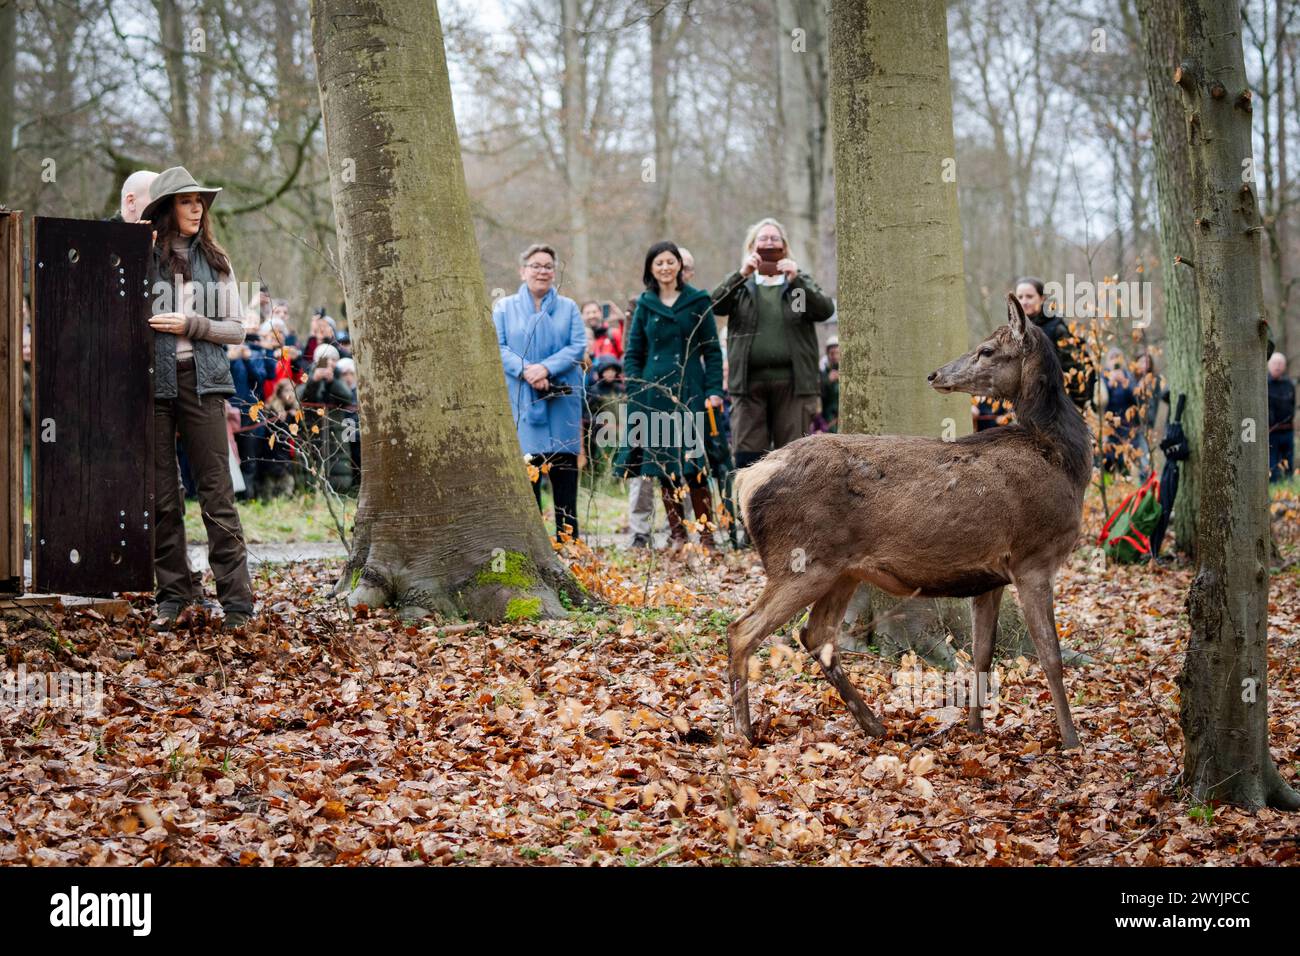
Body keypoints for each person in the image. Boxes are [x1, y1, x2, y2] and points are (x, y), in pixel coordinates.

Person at [143, 166, 254, 631]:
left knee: (217, 494)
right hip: (152, 385)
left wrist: (192, 325)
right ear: (167, 208)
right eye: (185, 201)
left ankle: (238, 605)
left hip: (204, 382)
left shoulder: (216, 258)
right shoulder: (143, 258)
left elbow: (237, 329)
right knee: (164, 497)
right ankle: (173, 597)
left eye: (199, 201)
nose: (196, 208)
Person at [615, 241, 725, 551]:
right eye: (658, 263)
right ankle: (678, 536)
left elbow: (712, 351)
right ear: (651, 269)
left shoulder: (698, 301)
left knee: (694, 465)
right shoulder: (645, 305)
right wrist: (635, 389)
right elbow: (634, 352)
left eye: (670, 261)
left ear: (679, 265)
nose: (665, 267)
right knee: (665, 466)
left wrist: (714, 390)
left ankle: (706, 537)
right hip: (653, 395)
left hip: (691, 391)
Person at [710, 217, 835, 470]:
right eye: (763, 239)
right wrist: (742, 273)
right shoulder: (742, 284)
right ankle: (749, 509)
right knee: (749, 458)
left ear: (784, 246)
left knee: (792, 458)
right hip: (748, 385)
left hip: (793, 384)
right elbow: (715, 305)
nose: (769, 242)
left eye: (774, 238)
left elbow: (823, 310)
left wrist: (796, 280)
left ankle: (791, 510)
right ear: (751, 247)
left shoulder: (795, 285)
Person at [495, 243, 587, 540]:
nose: (542, 271)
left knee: (564, 475)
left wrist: (545, 368)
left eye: (548, 266)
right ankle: (531, 542)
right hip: (522, 400)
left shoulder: (569, 308)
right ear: (523, 271)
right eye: (536, 265)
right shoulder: (505, 308)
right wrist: (526, 370)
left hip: (561, 400)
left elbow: (576, 346)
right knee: (527, 475)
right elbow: (499, 346)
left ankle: (569, 541)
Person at [1015, 276, 1094, 410]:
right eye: (1020, 297)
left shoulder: (1057, 328)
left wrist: (1077, 406)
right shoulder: (1015, 330)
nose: (1024, 301)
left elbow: (1075, 369)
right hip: (1026, 405)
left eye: (1029, 296)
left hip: (1058, 405)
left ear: (1042, 298)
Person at [297, 344, 357, 494]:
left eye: (332, 359)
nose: (328, 362)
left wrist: (332, 381)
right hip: (311, 427)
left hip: (335, 427)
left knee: (338, 460)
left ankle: (339, 491)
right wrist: (314, 380)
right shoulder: (307, 374)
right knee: (312, 457)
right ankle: (312, 490)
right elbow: (299, 395)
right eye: (324, 359)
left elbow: (347, 396)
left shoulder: (339, 375)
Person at [1101, 348, 1137, 475]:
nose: (1115, 360)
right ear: (1107, 362)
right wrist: (1110, 384)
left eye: (1118, 357)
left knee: (1125, 458)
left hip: (1125, 424)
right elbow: (1101, 401)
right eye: (1112, 358)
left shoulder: (1127, 375)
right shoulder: (1103, 377)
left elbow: (1135, 400)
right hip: (1108, 425)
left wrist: (1124, 383)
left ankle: (1126, 483)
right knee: (1109, 458)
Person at [1268, 351, 1295, 483]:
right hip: (1271, 432)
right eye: (1275, 363)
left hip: (1288, 430)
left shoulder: (1289, 384)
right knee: (1273, 462)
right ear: (1269, 365)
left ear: (1284, 366)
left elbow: (1293, 403)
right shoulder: (1264, 384)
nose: (1277, 366)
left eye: (1280, 363)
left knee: (1289, 460)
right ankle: (1274, 485)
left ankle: (1289, 484)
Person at [818, 336, 840, 433]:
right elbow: (819, 394)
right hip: (828, 420)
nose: (834, 356)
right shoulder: (823, 373)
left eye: (837, 353)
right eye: (832, 353)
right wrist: (827, 381)